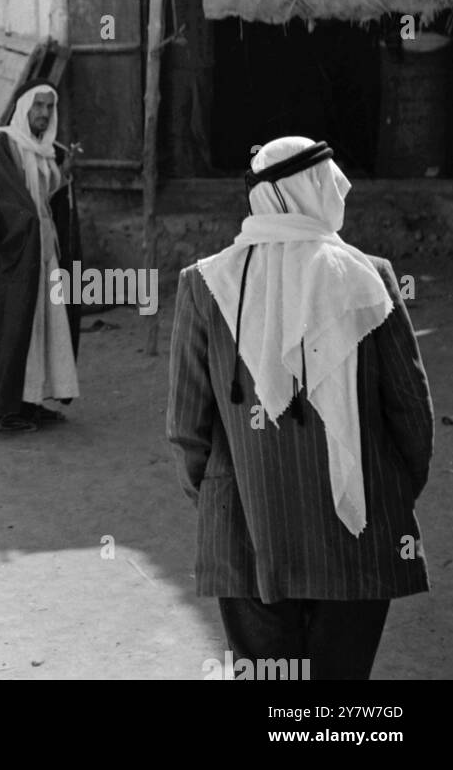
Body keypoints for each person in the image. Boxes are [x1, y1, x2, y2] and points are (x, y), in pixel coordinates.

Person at [168, 136, 433, 681]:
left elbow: (186, 427)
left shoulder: (203, 283)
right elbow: (412, 416)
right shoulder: (369, 277)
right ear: (313, 190)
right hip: (356, 529)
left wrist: (222, 492)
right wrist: (386, 492)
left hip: (244, 528)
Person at [0, 81, 81, 434]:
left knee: (44, 329)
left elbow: (47, 198)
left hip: (43, 253)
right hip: (12, 254)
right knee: (14, 328)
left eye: (49, 107)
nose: (43, 113)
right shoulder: (3, 142)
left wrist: (68, 169)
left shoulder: (47, 152)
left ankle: (30, 403)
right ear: (24, 107)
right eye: (38, 106)